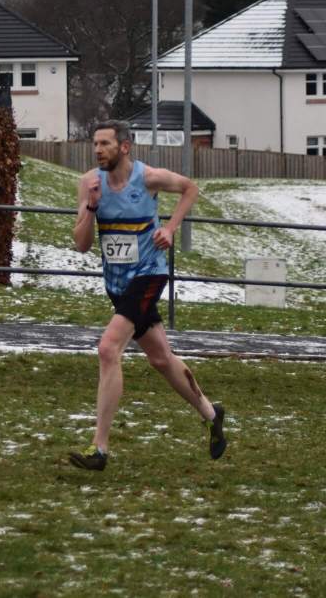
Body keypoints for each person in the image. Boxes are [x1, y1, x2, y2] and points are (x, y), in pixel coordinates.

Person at [68, 120, 227, 471]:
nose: (98, 150)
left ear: (124, 147)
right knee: (159, 358)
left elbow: (190, 188)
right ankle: (211, 414)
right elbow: (81, 246)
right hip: (118, 283)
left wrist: (169, 229)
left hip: (149, 274)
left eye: (105, 143)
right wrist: (91, 208)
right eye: (95, 144)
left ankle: (100, 449)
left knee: (109, 349)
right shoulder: (89, 184)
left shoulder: (148, 178)